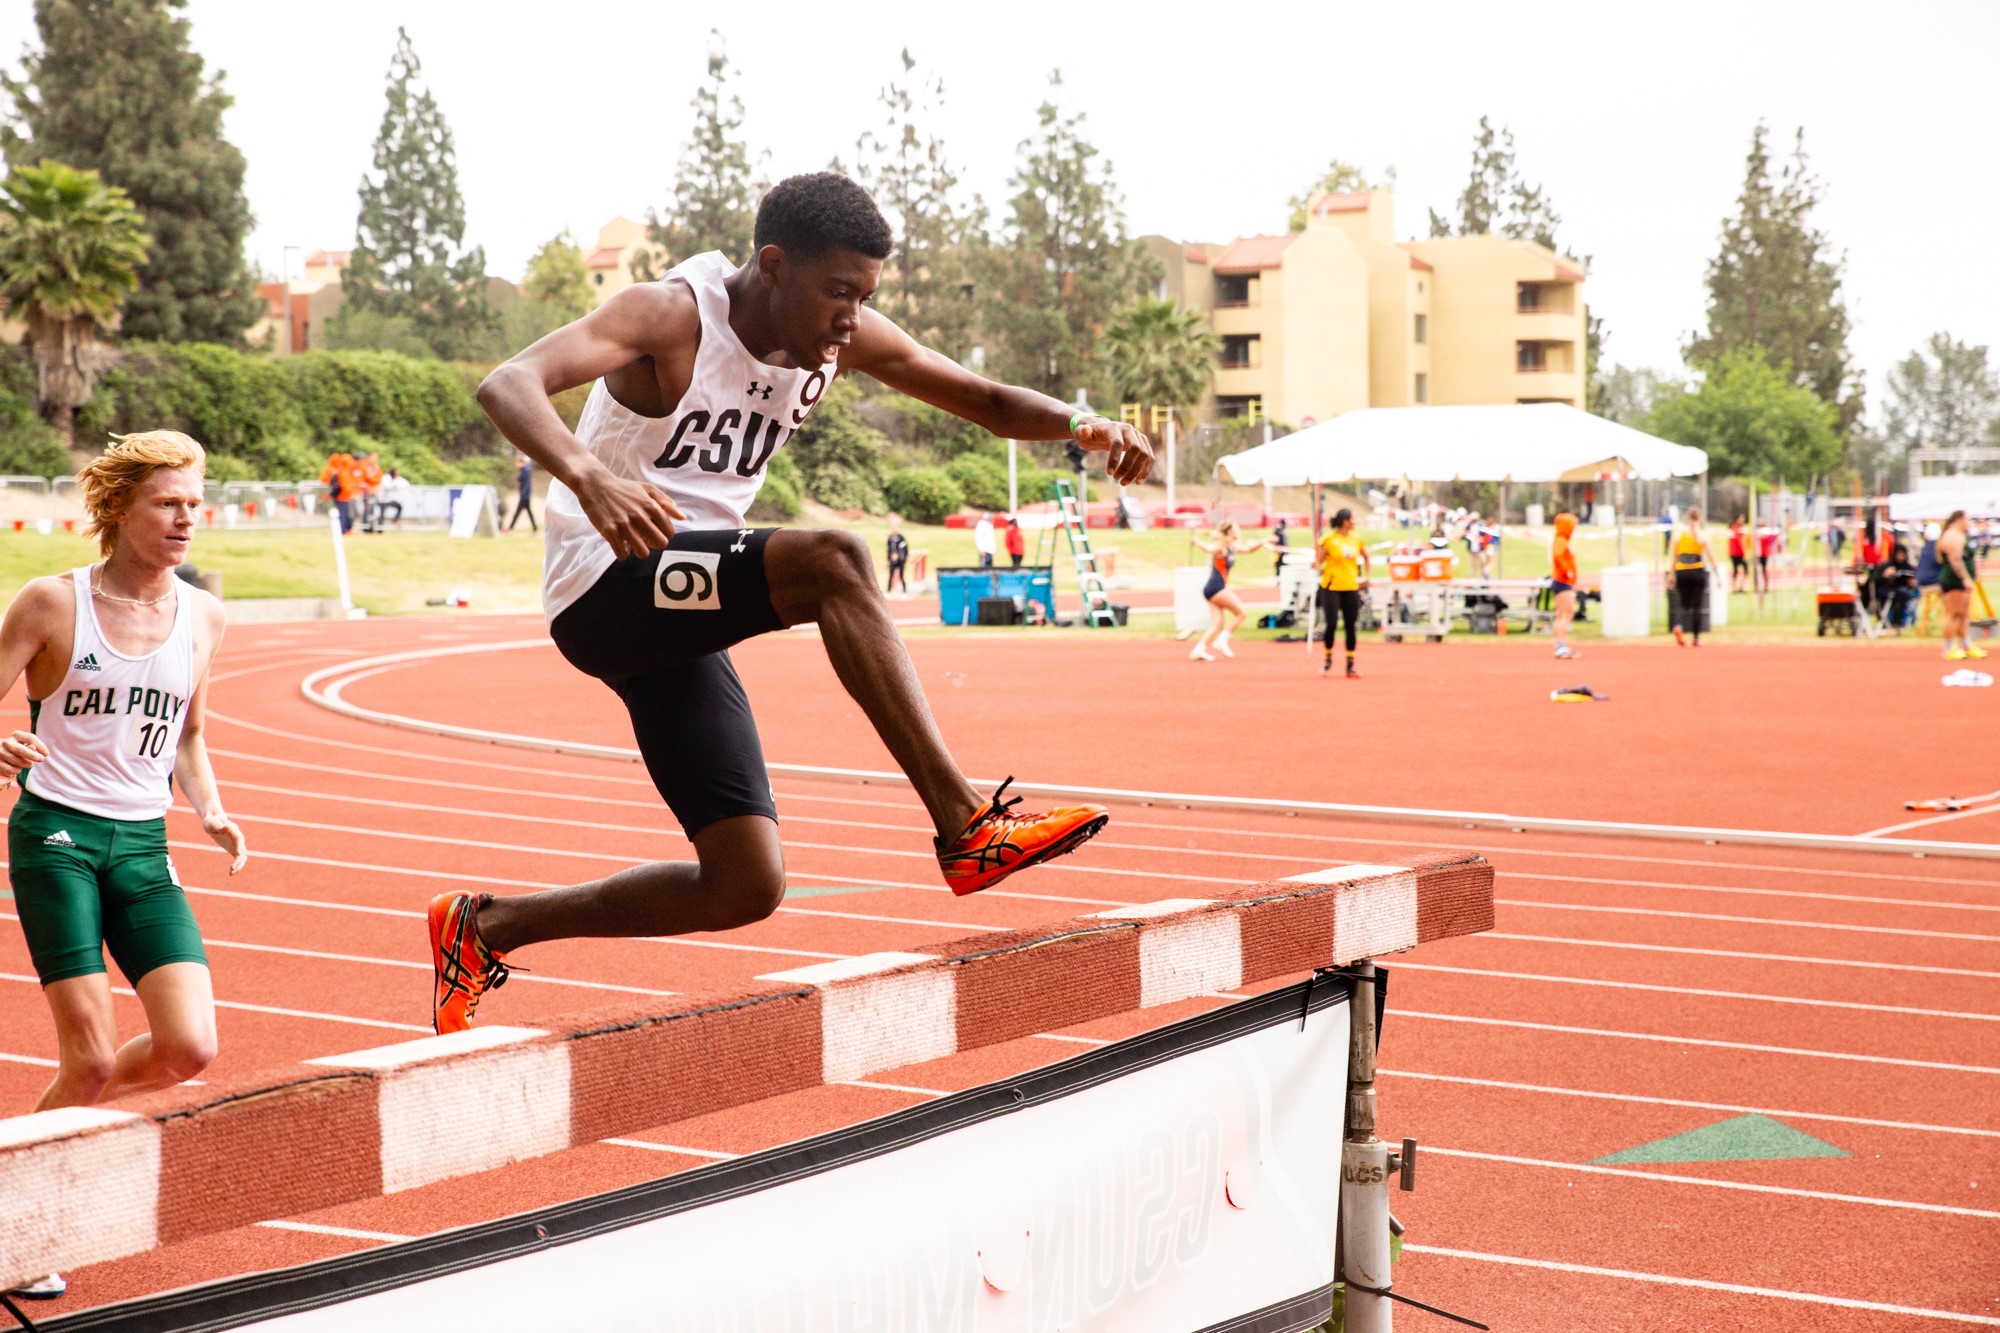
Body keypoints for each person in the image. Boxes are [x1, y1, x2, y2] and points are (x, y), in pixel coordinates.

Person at [434, 172, 1150, 1033]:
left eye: (865, 298)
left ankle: (485, 927)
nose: (851, 319)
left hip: (680, 602)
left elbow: (987, 401)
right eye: (838, 293)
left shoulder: (841, 335)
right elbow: (508, 381)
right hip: (605, 580)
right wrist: (588, 478)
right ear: (773, 266)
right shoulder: (672, 317)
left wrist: (1080, 423)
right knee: (835, 561)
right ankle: (965, 825)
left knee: (745, 882)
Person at [0, 431, 248, 1304]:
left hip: (144, 844)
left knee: (190, 1047)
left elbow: (190, 734)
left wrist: (211, 807)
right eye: (168, 502)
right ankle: (16, 1226)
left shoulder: (204, 615)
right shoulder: (50, 602)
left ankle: (21, 1146)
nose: (187, 518)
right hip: (57, 839)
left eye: (194, 503)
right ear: (119, 506)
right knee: (93, 1059)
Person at [1188, 520, 1264, 662]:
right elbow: (1211, 550)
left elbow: (1248, 550)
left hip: (1214, 588)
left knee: (1217, 623)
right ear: (1229, 531)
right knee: (1242, 612)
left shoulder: (1232, 547)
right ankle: (1221, 641)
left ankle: (1199, 649)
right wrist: (1197, 542)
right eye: (1236, 528)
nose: (1239, 530)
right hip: (1216, 587)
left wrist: (1262, 543)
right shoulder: (1221, 546)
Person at [1314, 507, 1370, 678]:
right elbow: (1319, 560)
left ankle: (1350, 665)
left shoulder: (1357, 539)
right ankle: (1327, 659)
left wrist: (1367, 577)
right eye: (1352, 519)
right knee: (1331, 624)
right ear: (1345, 521)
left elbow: (1366, 557)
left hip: (1350, 586)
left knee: (1350, 625)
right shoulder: (1329, 539)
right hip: (1331, 587)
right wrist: (1315, 564)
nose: (1354, 522)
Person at [1938, 509, 1985, 661]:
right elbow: (1955, 559)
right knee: (1953, 614)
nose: (1968, 523)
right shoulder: (1952, 536)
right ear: (1958, 519)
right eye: (1967, 519)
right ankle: (1948, 647)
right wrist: (1964, 578)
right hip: (1954, 581)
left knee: (1964, 614)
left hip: (1962, 580)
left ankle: (1966, 645)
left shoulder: (1962, 535)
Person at [1669, 507, 1717, 647]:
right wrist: (1718, 575)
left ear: (1687, 518)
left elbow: (1674, 557)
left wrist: (1671, 573)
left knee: (1682, 603)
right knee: (1697, 605)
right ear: (1699, 518)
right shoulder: (1702, 535)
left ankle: (1678, 625)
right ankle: (1695, 638)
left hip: (1682, 571)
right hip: (1697, 571)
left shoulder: (1679, 535)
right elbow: (1711, 556)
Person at [1551, 510, 1580, 659]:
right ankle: (1560, 645)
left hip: (1563, 581)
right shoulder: (1561, 540)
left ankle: (1561, 644)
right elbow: (1558, 555)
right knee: (1565, 614)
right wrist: (1567, 571)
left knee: (1565, 614)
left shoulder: (1562, 540)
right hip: (1562, 581)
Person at [318, 449, 359, 533]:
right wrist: (351, 491)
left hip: (344, 496)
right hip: (342, 497)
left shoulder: (344, 471)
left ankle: (346, 529)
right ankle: (343, 530)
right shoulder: (343, 472)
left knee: (345, 514)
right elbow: (344, 485)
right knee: (342, 514)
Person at [1915, 522, 1943, 636]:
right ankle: (1946, 625)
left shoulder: (1925, 547)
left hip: (1922, 582)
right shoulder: (1938, 547)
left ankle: (1922, 628)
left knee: (1925, 605)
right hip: (1935, 583)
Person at [508, 452, 538, 532]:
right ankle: (535, 529)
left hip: (524, 496)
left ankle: (510, 529)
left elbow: (523, 482)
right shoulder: (524, 470)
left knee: (518, 513)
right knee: (527, 512)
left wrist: (523, 495)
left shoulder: (525, 471)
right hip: (524, 495)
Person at [356, 450, 385, 532]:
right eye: (373, 457)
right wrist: (371, 481)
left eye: (376, 458)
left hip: (374, 491)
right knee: (367, 510)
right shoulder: (365, 466)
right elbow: (365, 477)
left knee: (373, 510)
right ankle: (366, 527)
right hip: (366, 492)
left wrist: (373, 482)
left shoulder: (377, 467)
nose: (374, 459)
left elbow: (378, 478)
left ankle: (373, 526)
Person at [884, 513, 909, 595]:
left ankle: (904, 591)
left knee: (901, 575)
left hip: (900, 560)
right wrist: (888, 559)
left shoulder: (901, 538)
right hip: (892, 560)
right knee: (890, 575)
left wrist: (900, 556)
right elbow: (888, 549)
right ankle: (888, 591)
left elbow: (905, 549)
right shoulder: (890, 538)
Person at [1727, 516, 1749, 593]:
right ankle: (1735, 587)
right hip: (1736, 553)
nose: (1742, 521)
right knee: (1737, 570)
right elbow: (1740, 542)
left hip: (1735, 553)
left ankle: (1739, 587)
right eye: (1741, 519)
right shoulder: (1736, 528)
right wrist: (1744, 553)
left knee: (1740, 569)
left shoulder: (1736, 528)